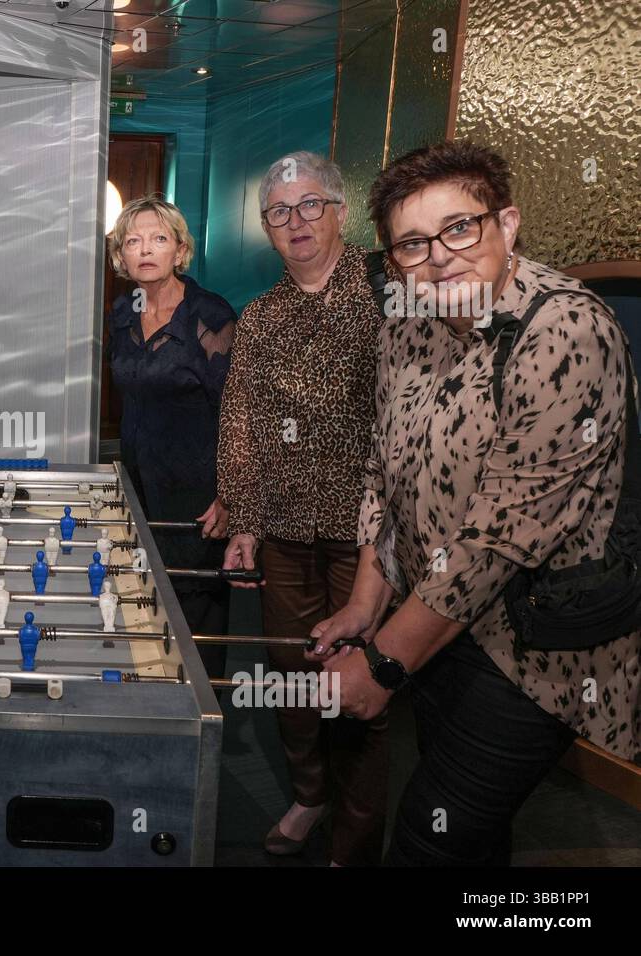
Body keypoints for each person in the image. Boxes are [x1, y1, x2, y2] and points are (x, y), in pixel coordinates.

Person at [312, 140, 640, 865]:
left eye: (461, 227)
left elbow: (498, 540)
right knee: (473, 837)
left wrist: (385, 665)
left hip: (531, 648)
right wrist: (367, 605)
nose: (440, 257)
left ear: (507, 224)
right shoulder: (410, 321)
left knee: (431, 837)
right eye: (412, 244)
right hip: (433, 620)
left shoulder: (566, 329)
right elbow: (384, 468)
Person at [217, 152, 388, 865]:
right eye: (280, 212)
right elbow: (241, 420)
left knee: (355, 684)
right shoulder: (260, 316)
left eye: (310, 204)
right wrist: (245, 518)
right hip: (285, 529)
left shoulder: (391, 290)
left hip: (368, 538)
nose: (297, 222)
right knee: (291, 674)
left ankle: (353, 831)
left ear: (341, 211)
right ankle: (310, 793)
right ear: (266, 227)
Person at [104, 196, 235, 675]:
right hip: (139, 485)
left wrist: (230, 496)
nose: (146, 249)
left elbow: (235, 412)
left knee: (196, 618)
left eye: (159, 238)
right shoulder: (122, 312)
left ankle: (204, 725)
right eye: (133, 240)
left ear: (180, 250)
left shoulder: (209, 315)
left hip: (198, 493)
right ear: (121, 255)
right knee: (142, 602)